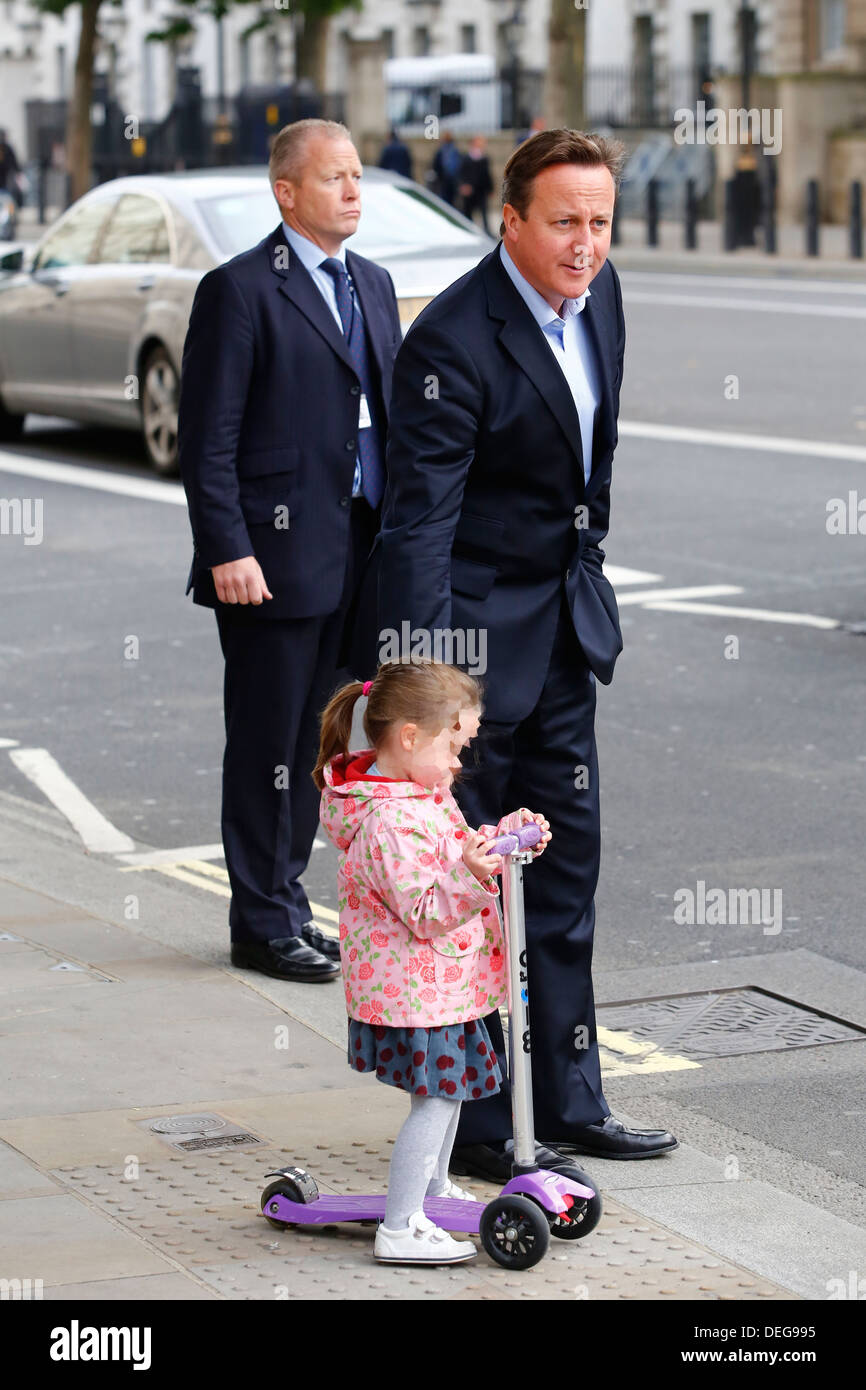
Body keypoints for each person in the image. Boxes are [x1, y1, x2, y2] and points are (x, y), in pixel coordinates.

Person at [377, 129, 678, 1179]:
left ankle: (573, 1096)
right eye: (562, 220)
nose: (584, 243)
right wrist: (423, 693)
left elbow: (585, 465)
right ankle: (485, 1128)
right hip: (464, 655)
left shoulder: (602, 298)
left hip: (557, 635)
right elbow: (415, 525)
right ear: (508, 219)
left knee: (562, 870)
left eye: (598, 221)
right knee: (471, 895)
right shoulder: (453, 341)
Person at [178, 119, 402, 985]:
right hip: (269, 558)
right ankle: (259, 922)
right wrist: (227, 546)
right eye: (334, 177)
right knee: (267, 740)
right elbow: (209, 440)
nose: (353, 190)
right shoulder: (238, 291)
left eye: (357, 175)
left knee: (321, 741)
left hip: (358, 548)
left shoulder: (373, 284)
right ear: (286, 193)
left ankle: (288, 905)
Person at [313, 657, 553, 1262]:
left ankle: (432, 1188)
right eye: (455, 744)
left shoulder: (423, 794)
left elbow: (452, 854)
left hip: (444, 984)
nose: (458, 762)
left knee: (454, 1092)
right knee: (438, 1099)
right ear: (410, 736)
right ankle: (400, 1226)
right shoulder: (390, 819)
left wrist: (500, 836)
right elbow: (424, 908)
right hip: (415, 989)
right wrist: (475, 875)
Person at [457, 135, 493, 233]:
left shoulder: (484, 158)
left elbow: (487, 174)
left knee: (484, 212)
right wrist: (463, 185)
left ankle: (487, 231)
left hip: (481, 189)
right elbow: (461, 173)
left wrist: (490, 189)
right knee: (468, 212)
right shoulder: (466, 158)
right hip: (470, 189)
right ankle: (469, 231)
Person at [431, 131, 463, 206]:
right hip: (449, 180)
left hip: (446, 180)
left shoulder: (443, 151)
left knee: (446, 200)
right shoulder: (454, 150)